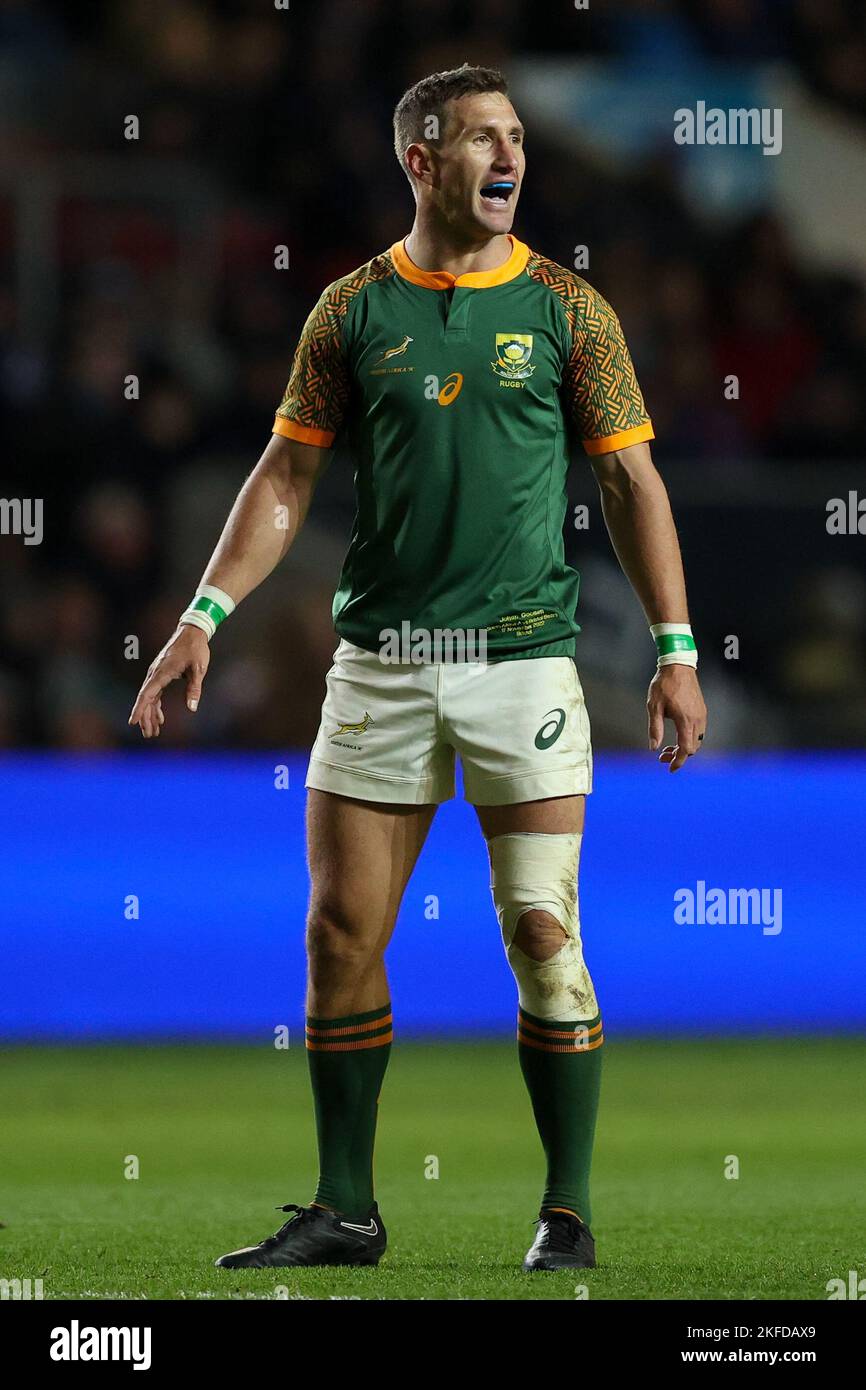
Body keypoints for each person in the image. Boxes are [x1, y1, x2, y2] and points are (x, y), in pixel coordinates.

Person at [129, 63, 707, 1272]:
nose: (509, 158)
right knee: (339, 931)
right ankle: (345, 1208)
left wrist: (672, 650)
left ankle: (566, 1211)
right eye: (482, 139)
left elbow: (628, 481)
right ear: (419, 159)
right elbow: (285, 477)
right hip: (380, 669)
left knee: (543, 930)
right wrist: (204, 615)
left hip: (522, 668)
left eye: (517, 138)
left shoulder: (565, 310)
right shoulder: (347, 311)